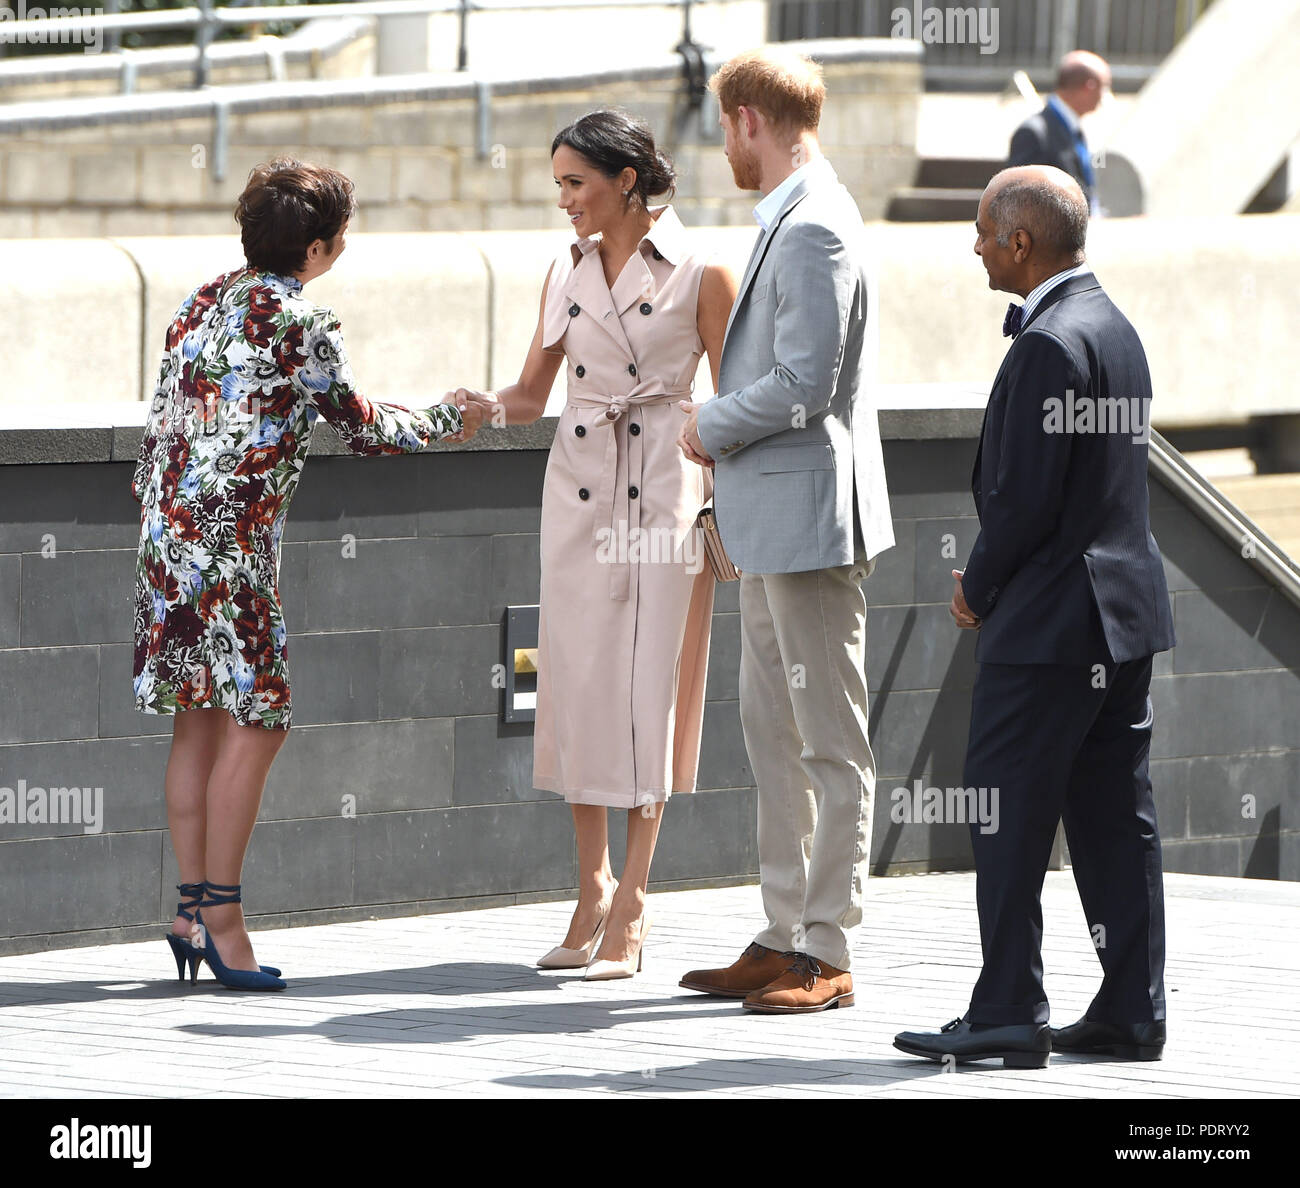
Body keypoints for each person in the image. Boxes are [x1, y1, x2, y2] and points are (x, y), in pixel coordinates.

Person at [132, 159, 488, 991]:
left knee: (197, 722)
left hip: (163, 539)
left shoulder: (199, 301)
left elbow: (163, 425)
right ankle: (223, 919)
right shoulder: (301, 318)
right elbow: (361, 427)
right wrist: (450, 416)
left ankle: (188, 910)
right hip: (232, 546)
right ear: (321, 246)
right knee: (261, 721)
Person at [893, 165, 1175, 1067]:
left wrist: (974, 585)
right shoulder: (1114, 325)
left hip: (1052, 625)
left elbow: (1023, 503)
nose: (974, 243)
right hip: (1122, 618)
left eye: (982, 229)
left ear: (1021, 241)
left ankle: (1009, 1006)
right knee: (1112, 818)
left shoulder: (1049, 342)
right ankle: (1132, 1008)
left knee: (1008, 815)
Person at [447, 111, 737, 981]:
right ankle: (591, 888)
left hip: (660, 493)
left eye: (577, 183)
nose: (566, 201)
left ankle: (636, 905)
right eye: (560, 184)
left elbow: (736, 402)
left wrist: (707, 471)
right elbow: (532, 394)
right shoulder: (563, 272)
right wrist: (476, 411)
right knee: (573, 687)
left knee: (647, 693)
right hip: (576, 493)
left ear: (628, 179)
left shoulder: (703, 271)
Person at [676, 47, 894, 1015]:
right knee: (771, 735)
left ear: (749, 121)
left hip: (809, 526)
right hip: (774, 523)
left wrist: (706, 424)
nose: (723, 144)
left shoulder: (814, 228)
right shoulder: (794, 218)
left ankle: (829, 949)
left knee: (827, 744)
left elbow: (807, 381)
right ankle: (781, 935)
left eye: (725, 127)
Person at [1008, 50, 1111, 214]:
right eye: (1104, 87)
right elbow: (1020, 204)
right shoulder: (1034, 133)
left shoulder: (1071, 127)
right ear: (1089, 87)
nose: (1104, 96)